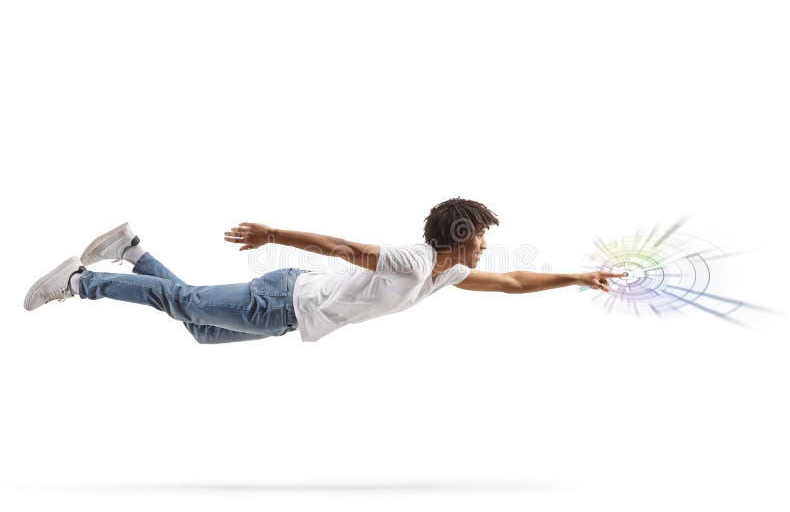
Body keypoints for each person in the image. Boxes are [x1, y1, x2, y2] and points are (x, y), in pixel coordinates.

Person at [23, 197, 626, 343]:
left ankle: (131, 249)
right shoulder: (413, 260)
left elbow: (517, 283)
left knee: (202, 328)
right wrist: (272, 234)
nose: (487, 251)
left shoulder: (447, 273)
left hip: (289, 312)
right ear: (460, 238)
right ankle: (80, 282)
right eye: (482, 240)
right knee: (187, 305)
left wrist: (579, 277)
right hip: (280, 302)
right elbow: (341, 246)